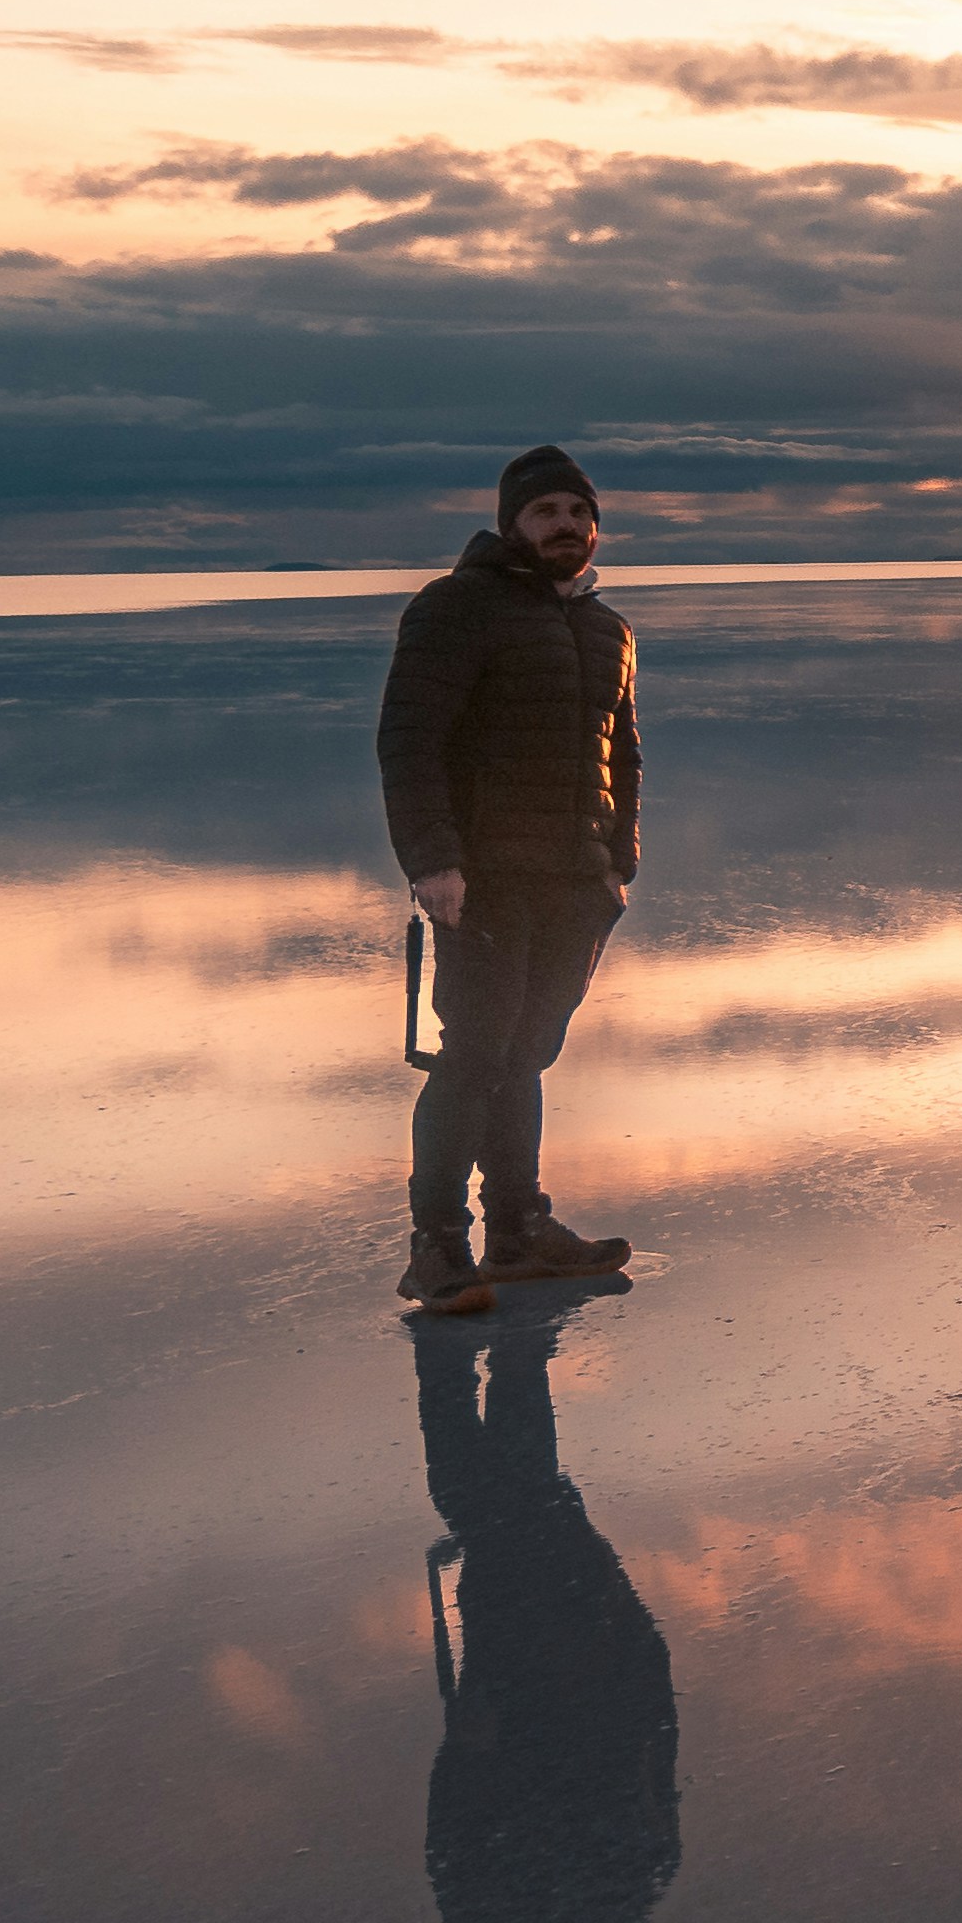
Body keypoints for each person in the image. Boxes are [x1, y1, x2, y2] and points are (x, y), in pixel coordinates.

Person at [376, 445, 639, 1308]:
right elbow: (410, 742)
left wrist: (618, 866)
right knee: (475, 1055)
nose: (567, 526)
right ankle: (437, 1246)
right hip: (484, 878)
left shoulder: (607, 629)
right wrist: (434, 863)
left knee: (527, 1053)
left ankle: (519, 1229)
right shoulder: (456, 609)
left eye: (578, 512)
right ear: (511, 523)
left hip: (574, 883)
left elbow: (623, 754)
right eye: (546, 512)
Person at [414, 1299, 680, 1923]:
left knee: (509, 1512)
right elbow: (654, 1741)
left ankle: (499, 1352)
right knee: (509, 1509)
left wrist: (464, 1756)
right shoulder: (638, 1882)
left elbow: (455, 1846)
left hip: (542, 1690)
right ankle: (482, 1355)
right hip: (572, 1669)